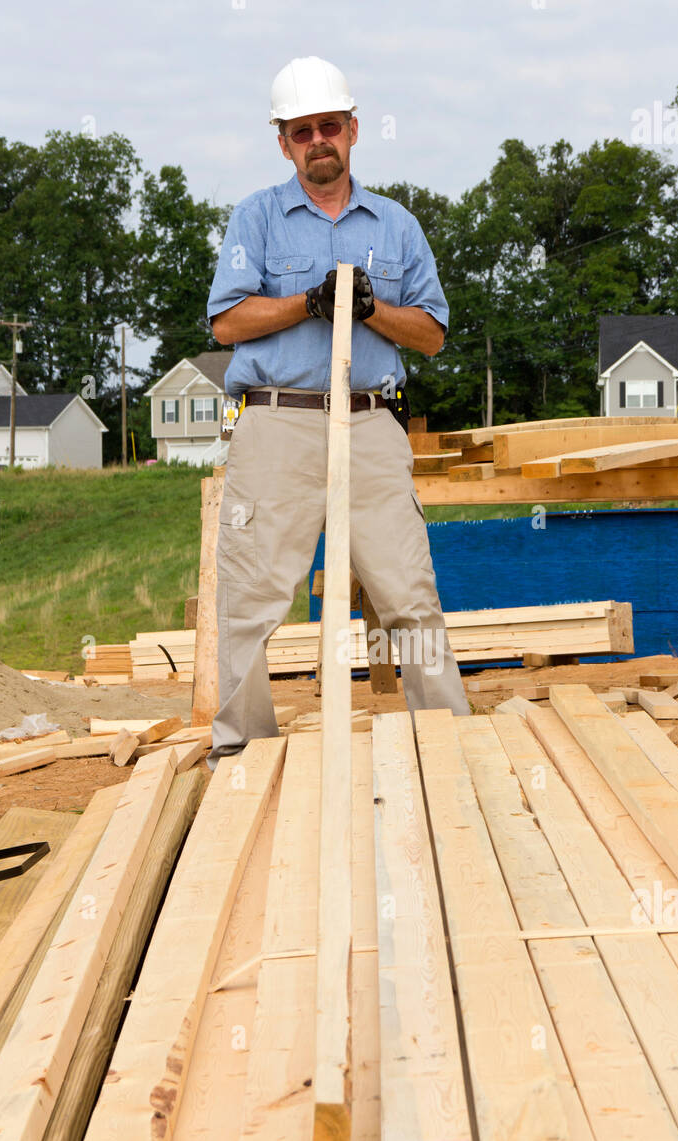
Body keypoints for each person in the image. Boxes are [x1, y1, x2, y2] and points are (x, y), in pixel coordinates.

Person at [205, 55, 470, 767]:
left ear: (353, 130)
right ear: (283, 142)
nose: (316, 139)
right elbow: (226, 324)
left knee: (409, 592)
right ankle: (241, 757)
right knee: (251, 600)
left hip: (370, 421)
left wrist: (372, 308)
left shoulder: (397, 224)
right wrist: (308, 303)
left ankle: (448, 748)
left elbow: (434, 335)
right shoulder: (256, 218)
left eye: (329, 126)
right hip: (277, 422)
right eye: (301, 131)